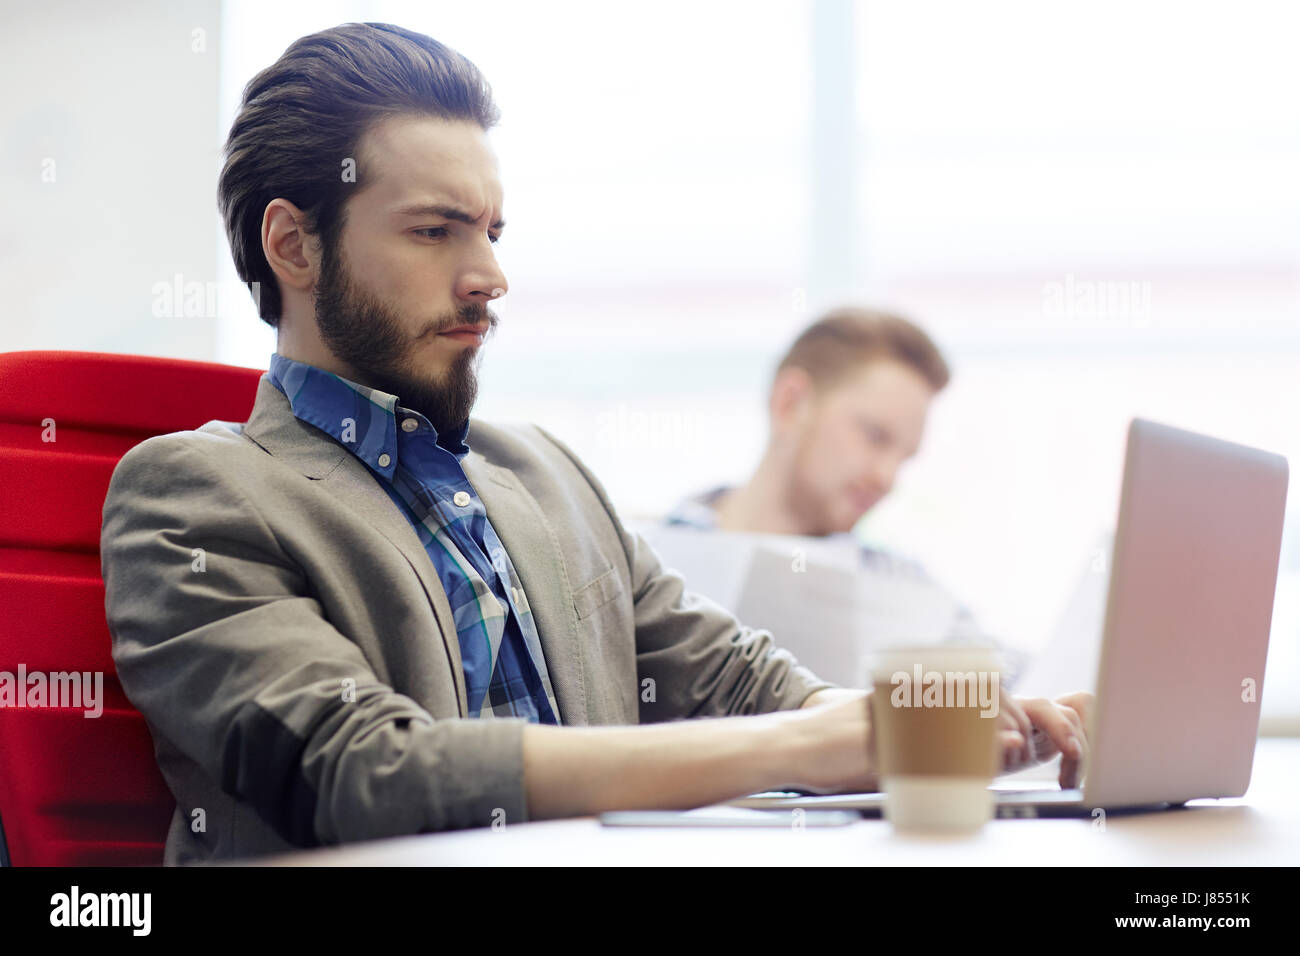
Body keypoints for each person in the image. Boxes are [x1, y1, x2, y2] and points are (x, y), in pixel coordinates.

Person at [100, 22, 1089, 865]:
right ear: (293, 245)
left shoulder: (545, 474)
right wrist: (799, 743)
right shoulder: (192, 496)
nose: (489, 272)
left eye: (491, 229)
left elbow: (740, 683)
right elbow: (363, 775)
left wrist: (954, 727)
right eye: (437, 231)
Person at [664, 308, 1032, 688]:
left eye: (905, 458)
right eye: (875, 436)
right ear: (790, 403)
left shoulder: (901, 585)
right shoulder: (643, 567)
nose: (887, 478)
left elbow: (1012, 675)